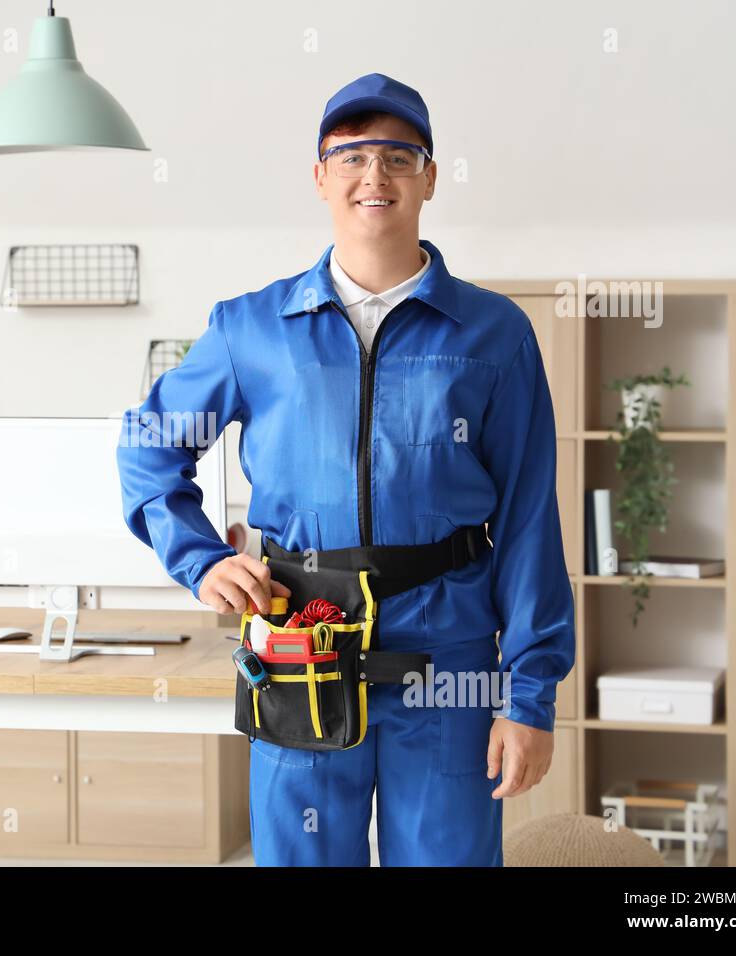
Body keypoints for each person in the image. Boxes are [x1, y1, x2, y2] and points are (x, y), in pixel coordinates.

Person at [117, 73, 575, 866]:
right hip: (300, 645)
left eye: (399, 156)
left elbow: (531, 518)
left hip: (448, 664)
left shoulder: (495, 334)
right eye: (352, 155)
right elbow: (152, 444)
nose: (376, 176)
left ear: (430, 177)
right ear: (321, 175)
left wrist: (529, 695)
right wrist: (200, 558)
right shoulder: (249, 329)